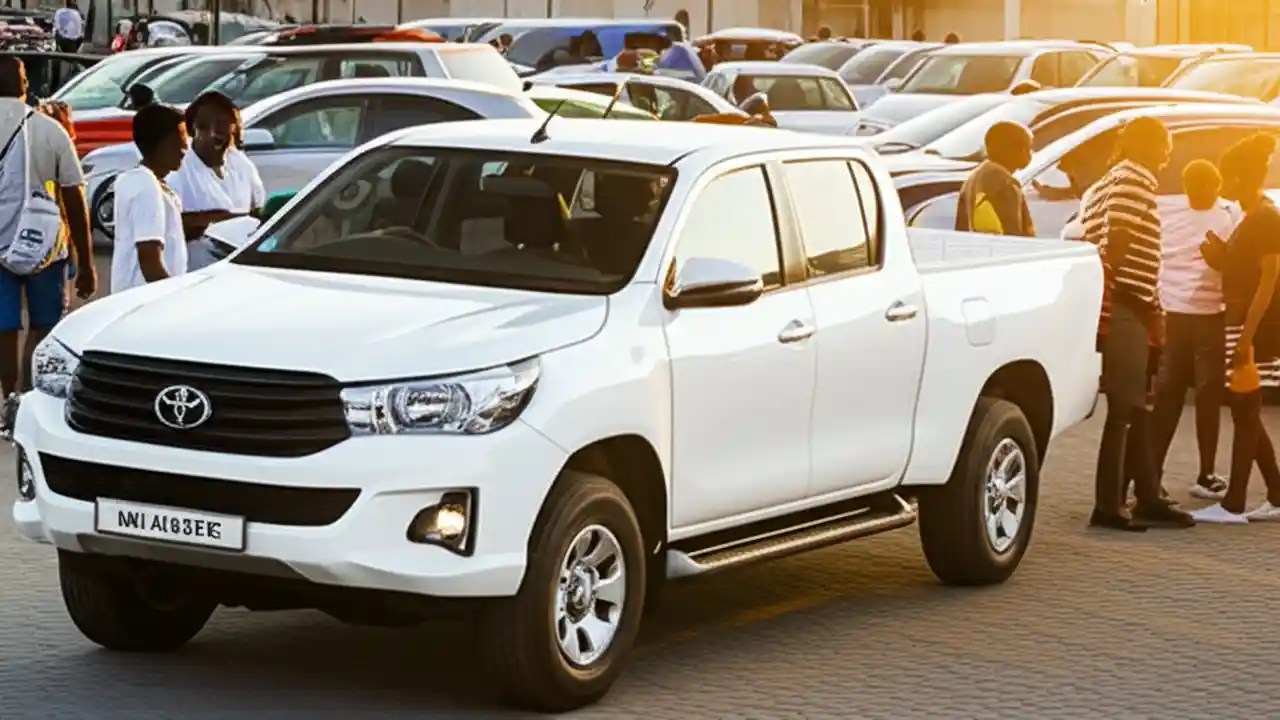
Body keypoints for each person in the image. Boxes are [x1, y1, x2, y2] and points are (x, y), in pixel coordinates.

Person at [1081, 116, 1194, 531]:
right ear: (1147, 145)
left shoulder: (1114, 178)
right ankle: (1108, 506)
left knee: (1141, 407)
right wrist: (1116, 302)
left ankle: (1147, 496)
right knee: (1125, 409)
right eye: (1164, 144)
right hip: (1126, 304)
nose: (1167, 155)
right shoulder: (1133, 178)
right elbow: (1118, 244)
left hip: (1138, 306)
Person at [1191, 133, 1280, 524]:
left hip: (1252, 327)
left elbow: (1269, 281)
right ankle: (1276, 496)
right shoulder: (1251, 217)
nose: (1225, 186)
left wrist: (1247, 336)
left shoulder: (1266, 218)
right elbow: (1242, 271)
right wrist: (1220, 259)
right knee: (1248, 411)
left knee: (1245, 411)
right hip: (1239, 322)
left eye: (1230, 178)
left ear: (1244, 179)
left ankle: (1234, 505)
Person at [0, 57, 94, 415]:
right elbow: (74, 197)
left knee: (4, 328)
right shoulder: (50, 130)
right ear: (25, 85)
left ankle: (7, 395)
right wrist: (86, 264)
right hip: (45, 249)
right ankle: (24, 396)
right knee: (43, 325)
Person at [1146, 159, 1239, 501]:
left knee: (1168, 396)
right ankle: (1206, 473)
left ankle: (1152, 471)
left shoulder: (1167, 213)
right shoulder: (1228, 216)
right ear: (1217, 187)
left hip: (1173, 314)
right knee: (1208, 397)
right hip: (1209, 317)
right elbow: (1235, 263)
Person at [166, 91, 263, 272]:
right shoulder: (178, 169)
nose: (213, 134)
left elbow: (258, 213)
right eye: (204, 127)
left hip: (238, 271)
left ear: (233, 128)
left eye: (222, 126)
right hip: (193, 273)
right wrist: (227, 221)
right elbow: (171, 226)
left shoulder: (242, 165)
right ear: (191, 129)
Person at [110, 104, 187, 294]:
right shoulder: (145, 185)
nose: (185, 147)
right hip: (146, 299)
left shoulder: (143, 180)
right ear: (159, 142)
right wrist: (175, 298)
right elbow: (150, 263)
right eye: (179, 139)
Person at [954, 121, 1035, 237]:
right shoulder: (1006, 184)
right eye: (1028, 148)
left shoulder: (974, 178)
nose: (1030, 154)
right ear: (1013, 150)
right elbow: (1013, 238)